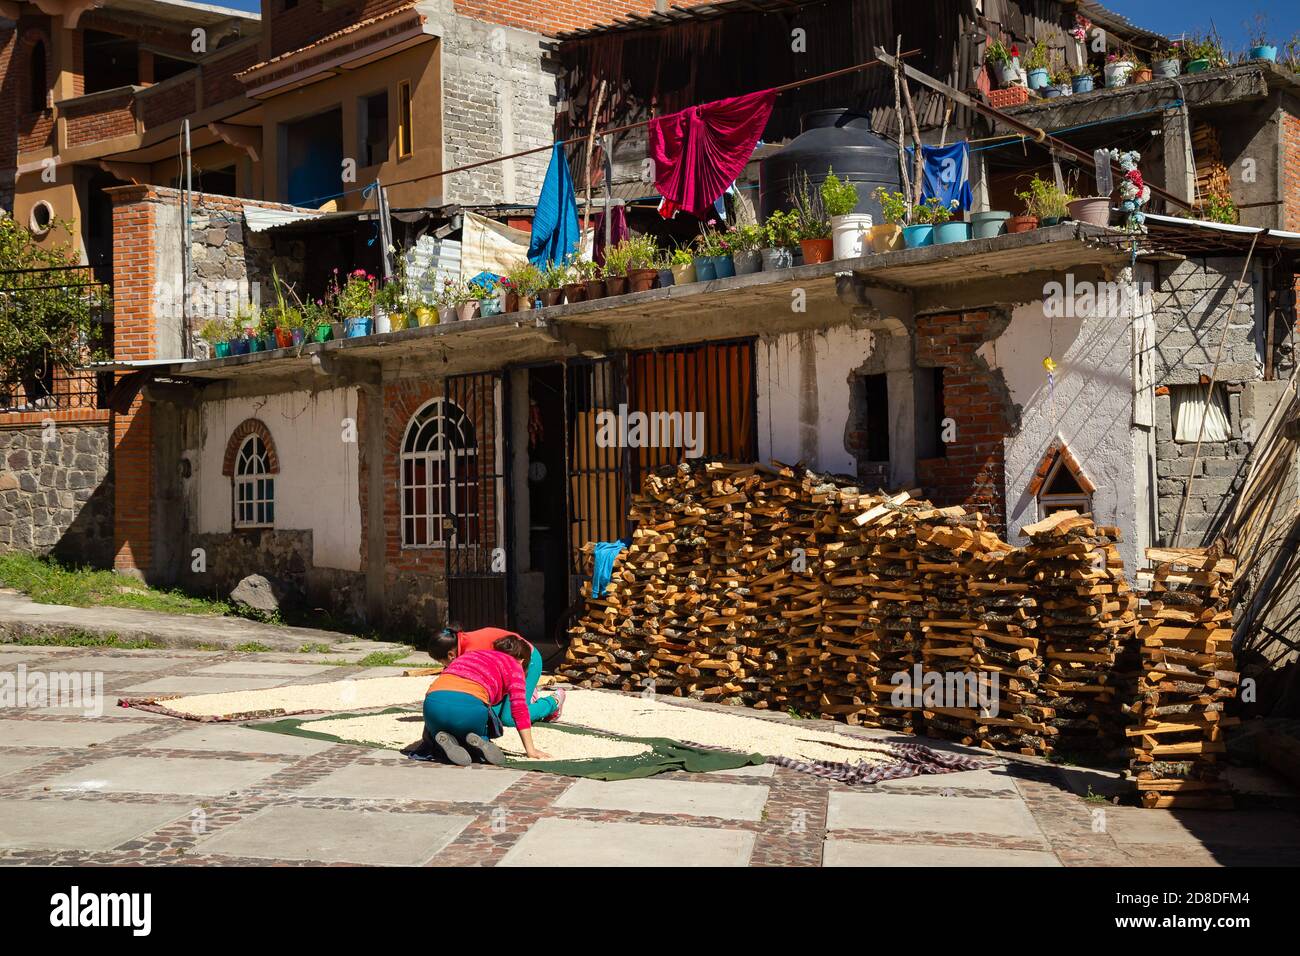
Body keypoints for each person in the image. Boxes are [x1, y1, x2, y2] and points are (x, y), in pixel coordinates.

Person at [422, 635, 551, 766]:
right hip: (469, 711)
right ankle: (479, 742)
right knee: (483, 722)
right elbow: (519, 709)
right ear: (522, 662)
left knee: (434, 734)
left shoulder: (470, 655)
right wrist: (531, 750)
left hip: (432, 705)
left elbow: (437, 689)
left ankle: (438, 741)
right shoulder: (515, 666)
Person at [429, 624, 565, 726]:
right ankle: (529, 697)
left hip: (528, 662)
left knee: (510, 718)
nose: (445, 667)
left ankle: (554, 701)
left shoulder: (471, 652)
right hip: (506, 670)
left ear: (451, 655)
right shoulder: (460, 644)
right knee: (491, 713)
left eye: (443, 663)